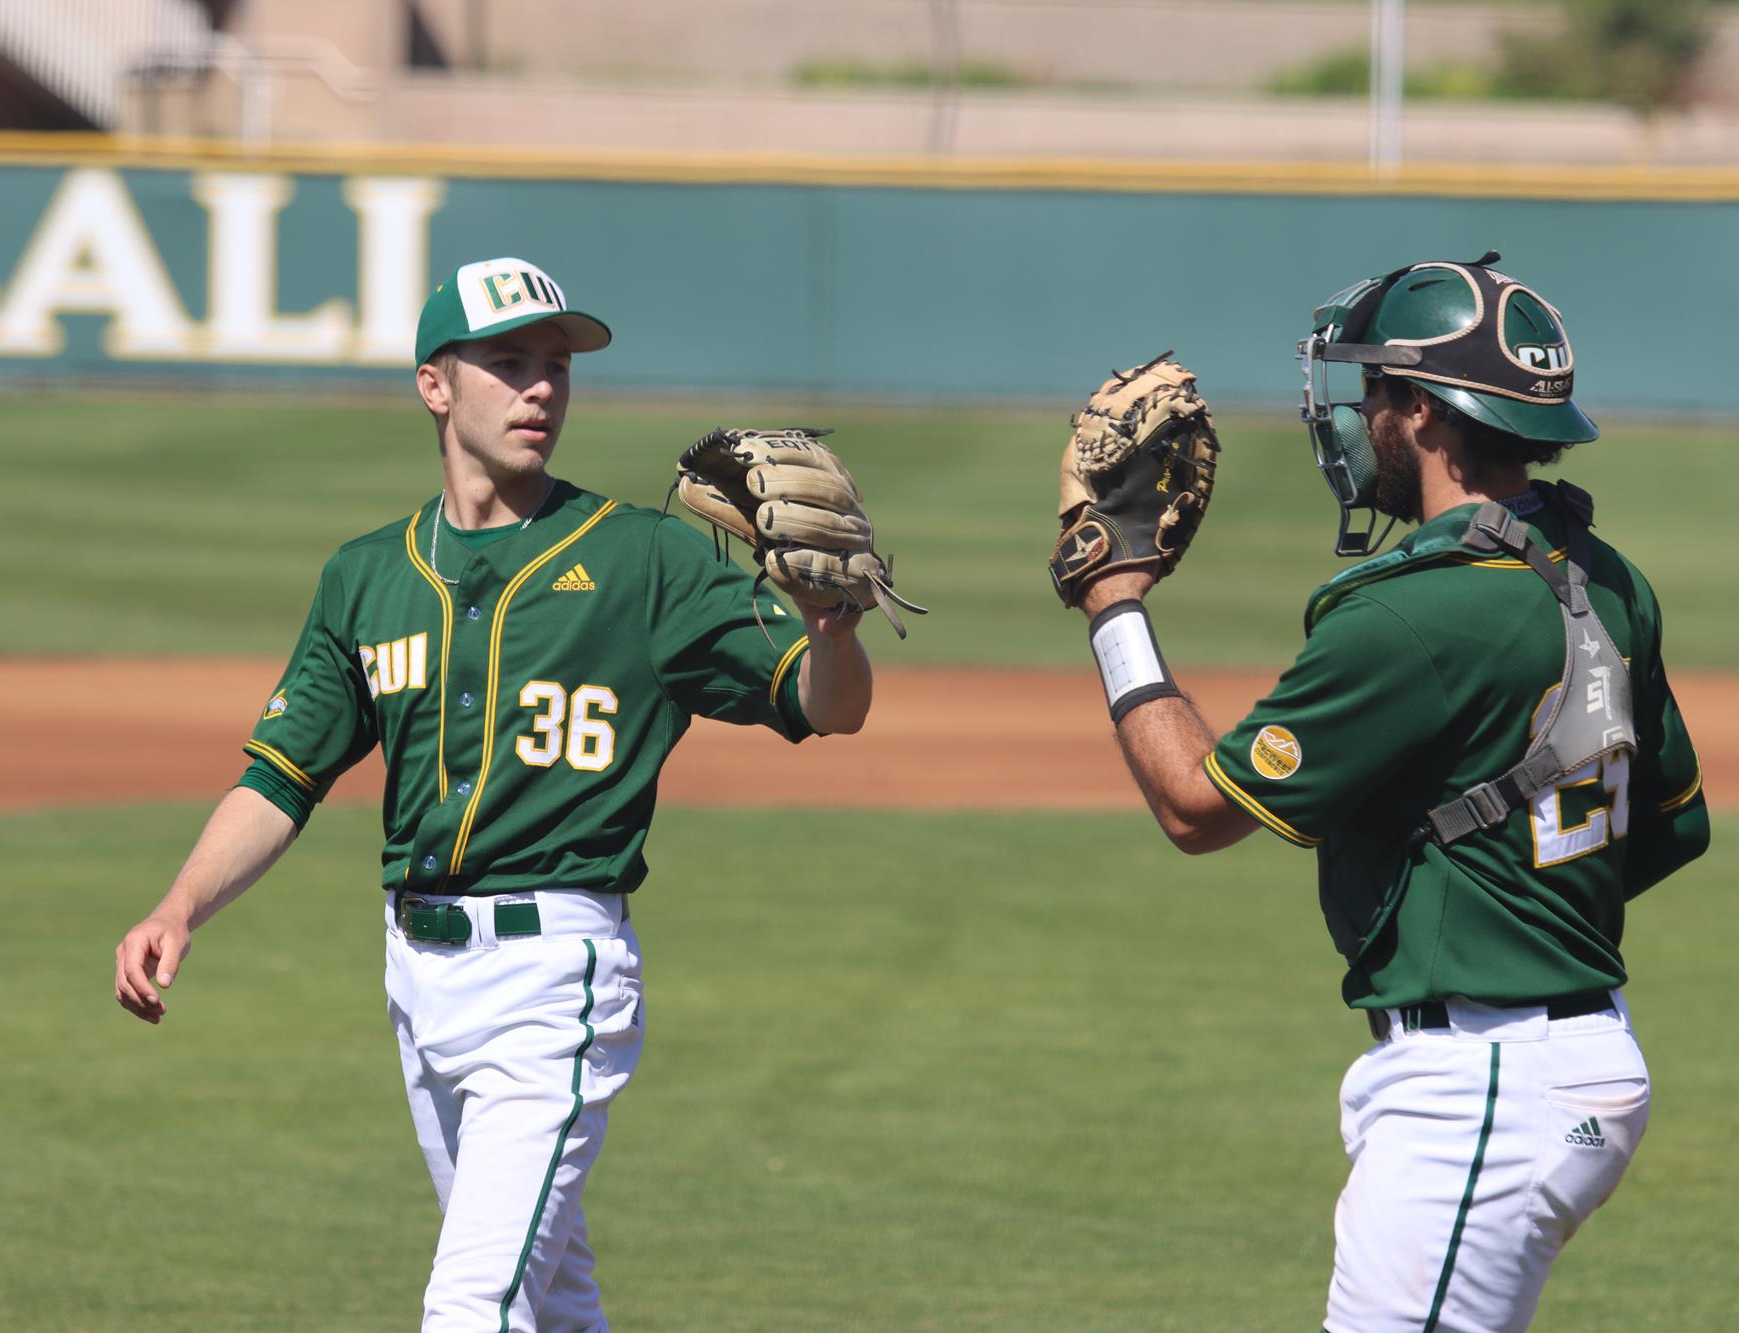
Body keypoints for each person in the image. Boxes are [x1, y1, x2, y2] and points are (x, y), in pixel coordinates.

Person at [113, 257, 877, 1331]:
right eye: (509, 362)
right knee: (552, 1301)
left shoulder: (641, 559)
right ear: (435, 384)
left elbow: (824, 706)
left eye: (556, 365)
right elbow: (283, 774)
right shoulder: (368, 577)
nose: (541, 388)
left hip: (552, 981)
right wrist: (179, 906)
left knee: (472, 1305)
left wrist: (830, 632)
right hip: (417, 982)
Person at [1061, 255, 1708, 1331]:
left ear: (1424, 412)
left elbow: (1192, 806)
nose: (1358, 417)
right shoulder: (1605, 577)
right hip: (1565, 1053)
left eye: (1372, 391)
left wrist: (1111, 603)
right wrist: (1518, 878)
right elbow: (1665, 826)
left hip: (1483, 1086)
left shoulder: (1412, 615)